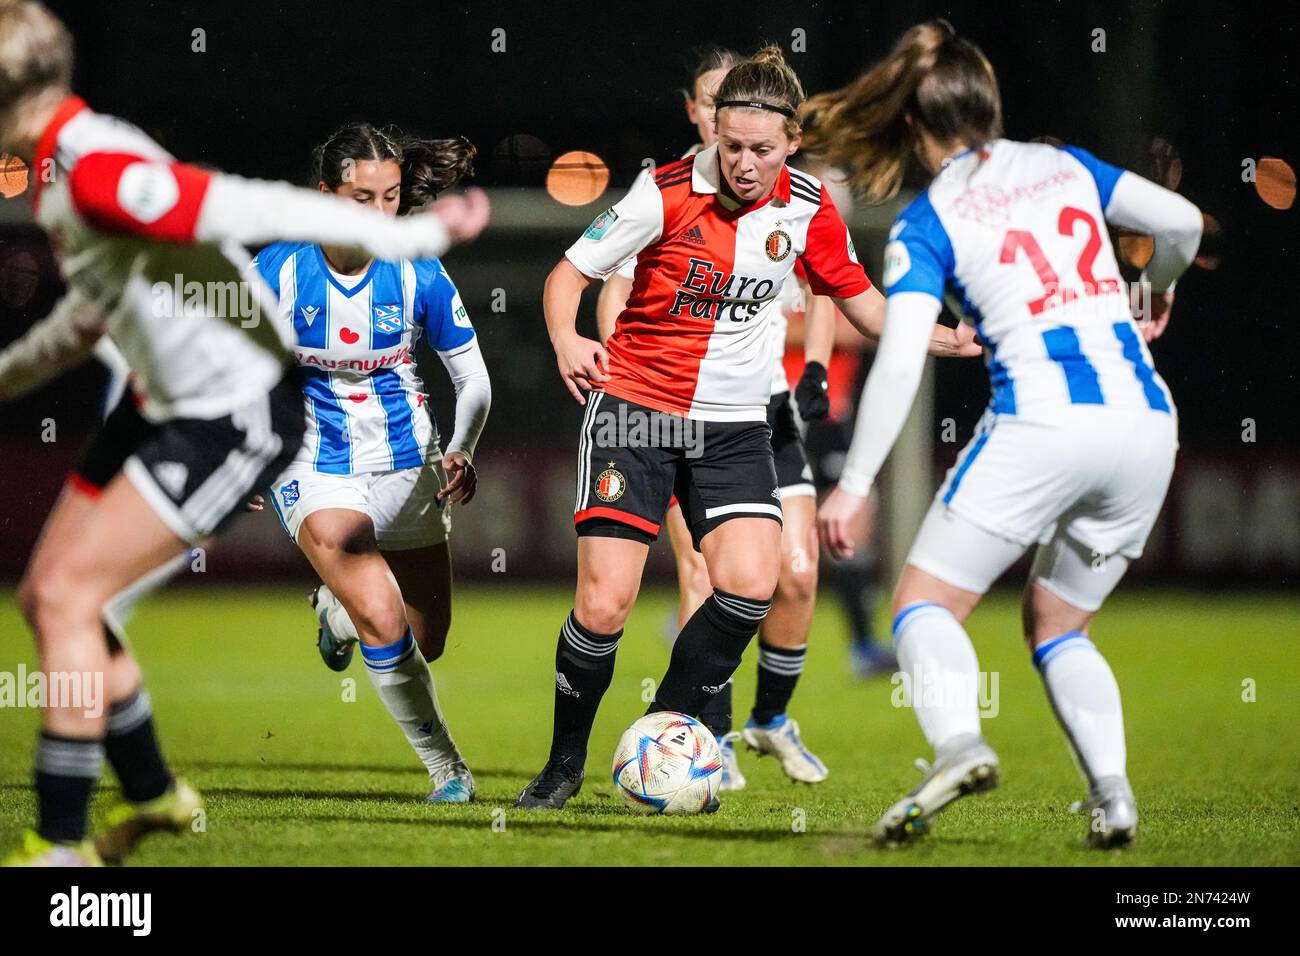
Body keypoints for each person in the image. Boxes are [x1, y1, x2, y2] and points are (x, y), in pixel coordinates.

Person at [0, 0, 488, 865]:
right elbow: (89, 314)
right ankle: (143, 796)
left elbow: (230, 201)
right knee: (52, 595)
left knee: (72, 598)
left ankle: (61, 843)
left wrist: (409, 232)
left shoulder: (96, 166)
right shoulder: (63, 168)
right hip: (172, 402)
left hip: (232, 411)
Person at [517, 44, 978, 810]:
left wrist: (938, 333)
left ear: (791, 143)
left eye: (761, 149)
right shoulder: (660, 192)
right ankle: (562, 766)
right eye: (729, 146)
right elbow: (569, 274)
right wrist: (568, 338)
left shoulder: (808, 206)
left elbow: (862, 303)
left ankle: (664, 726)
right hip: (637, 411)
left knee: (752, 586)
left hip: (734, 425)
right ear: (712, 132)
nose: (743, 163)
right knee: (605, 605)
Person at [809, 20, 1202, 846]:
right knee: (1059, 625)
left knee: (922, 607)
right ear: (989, 106)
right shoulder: (1063, 165)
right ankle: (1113, 796)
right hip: (1145, 426)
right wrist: (1155, 288)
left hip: (1041, 425)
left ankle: (957, 745)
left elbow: (900, 358)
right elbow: (1183, 222)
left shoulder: (928, 221)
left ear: (912, 126)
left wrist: (851, 484)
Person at [594, 46, 839, 790]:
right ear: (698, 112)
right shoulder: (667, 192)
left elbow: (828, 283)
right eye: (709, 106)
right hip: (676, 409)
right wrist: (626, 377)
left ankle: (769, 721)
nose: (722, 122)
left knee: (795, 574)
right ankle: (704, 735)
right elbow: (615, 285)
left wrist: (818, 369)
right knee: (705, 574)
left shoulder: (789, 194)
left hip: (766, 408)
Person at [256, 123, 491, 803]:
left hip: (406, 466)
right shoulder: (276, 270)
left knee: (426, 637)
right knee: (382, 616)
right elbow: (235, 371)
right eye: (361, 198)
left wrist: (463, 448)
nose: (381, 214)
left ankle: (335, 613)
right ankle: (448, 770)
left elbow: (472, 379)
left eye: (390, 197)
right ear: (324, 194)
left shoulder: (419, 267)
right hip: (313, 464)